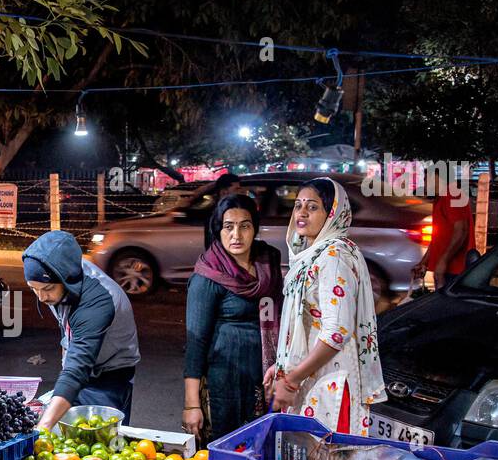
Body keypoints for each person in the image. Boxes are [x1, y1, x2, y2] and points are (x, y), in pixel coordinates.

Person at [263, 177, 386, 434]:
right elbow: (310, 323)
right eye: (298, 205)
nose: (302, 213)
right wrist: (284, 363)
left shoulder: (333, 256)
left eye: (313, 207)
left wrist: (292, 380)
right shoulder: (314, 255)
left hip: (331, 381)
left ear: (332, 213)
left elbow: (336, 331)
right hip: (313, 376)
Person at [183, 193, 283, 441]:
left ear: (255, 229)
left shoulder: (268, 262)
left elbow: (281, 314)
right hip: (223, 384)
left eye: (244, 226)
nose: (236, 235)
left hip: (261, 378)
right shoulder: (208, 275)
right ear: (218, 230)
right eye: (228, 227)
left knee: (260, 450)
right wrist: (191, 404)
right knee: (225, 454)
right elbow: (195, 343)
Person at [22, 230, 140, 429]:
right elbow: (68, 335)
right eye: (34, 289)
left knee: (99, 447)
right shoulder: (59, 276)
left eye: (47, 289)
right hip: (79, 371)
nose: (41, 298)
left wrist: (42, 429)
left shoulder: (97, 302)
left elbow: (78, 368)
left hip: (109, 379)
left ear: (66, 278)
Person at [413, 179, 473, 289]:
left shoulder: (453, 195)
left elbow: (461, 231)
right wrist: (424, 262)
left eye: (429, 180)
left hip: (455, 270)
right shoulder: (441, 198)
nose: (425, 185)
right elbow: (437, 238)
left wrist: (443, 262)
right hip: (445, 269)